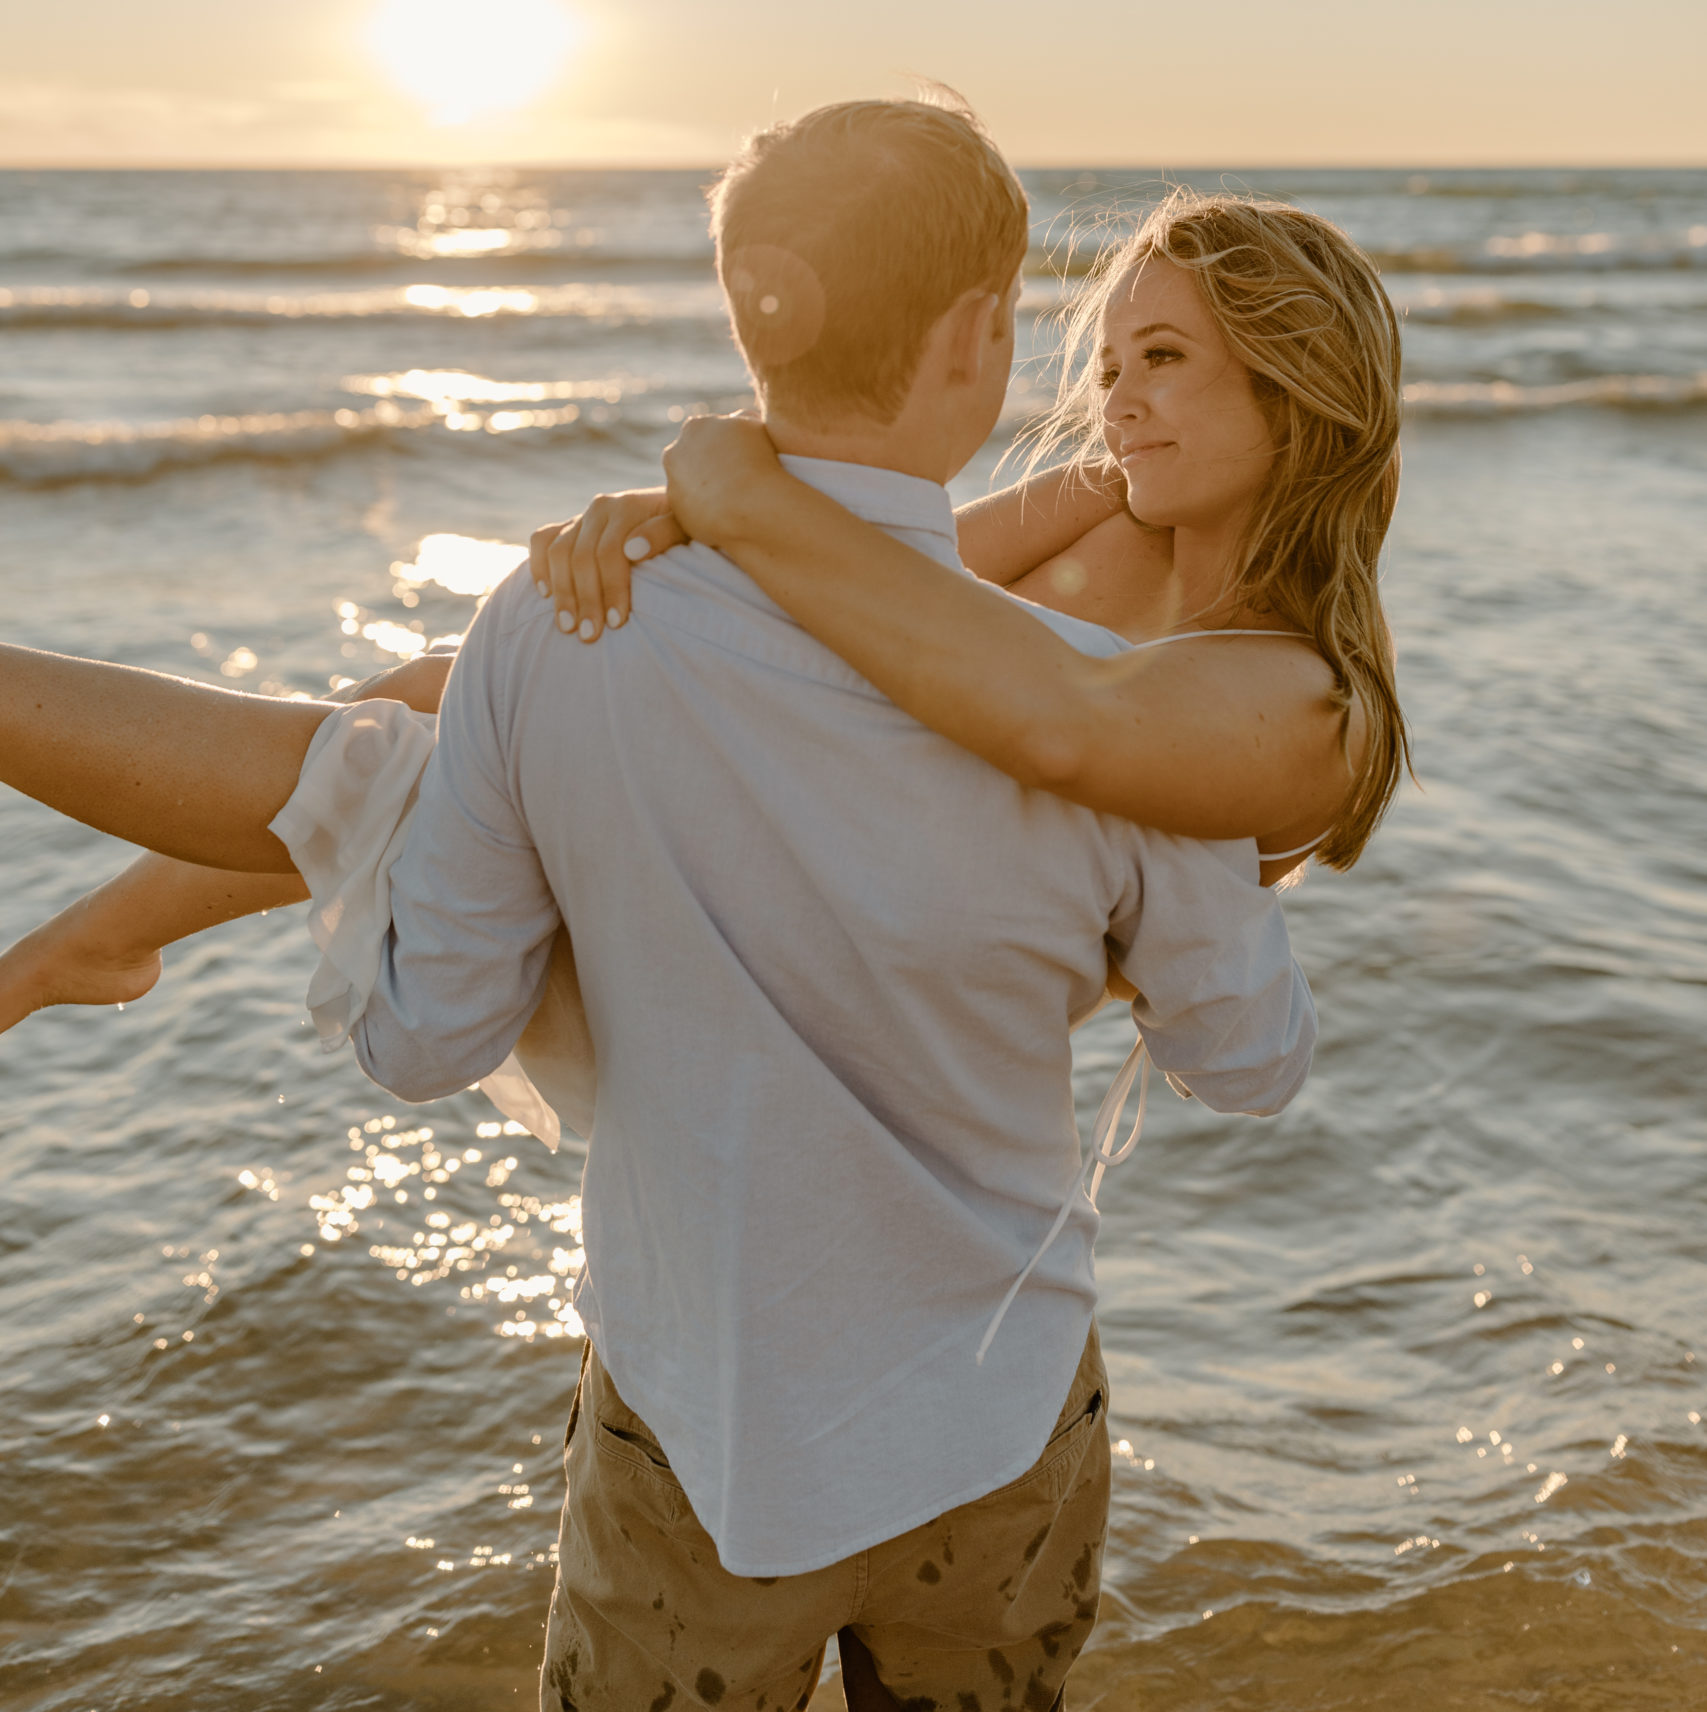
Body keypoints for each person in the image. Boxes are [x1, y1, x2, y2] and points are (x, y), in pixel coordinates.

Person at [0, 101, 1393, 1712]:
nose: (1114, 396)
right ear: (980, 335)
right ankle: (112, 925)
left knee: (449, 727)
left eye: (1168, 362)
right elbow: (918, 565)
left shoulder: (1262, 705)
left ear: (1295, 397)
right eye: (1112, 353)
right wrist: (697, 524)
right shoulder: (1109, 522)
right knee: (444, 704)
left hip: (755, 1372)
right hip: (978, 1367)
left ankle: (103, 918)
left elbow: (1053, 719)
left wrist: (717, 485)